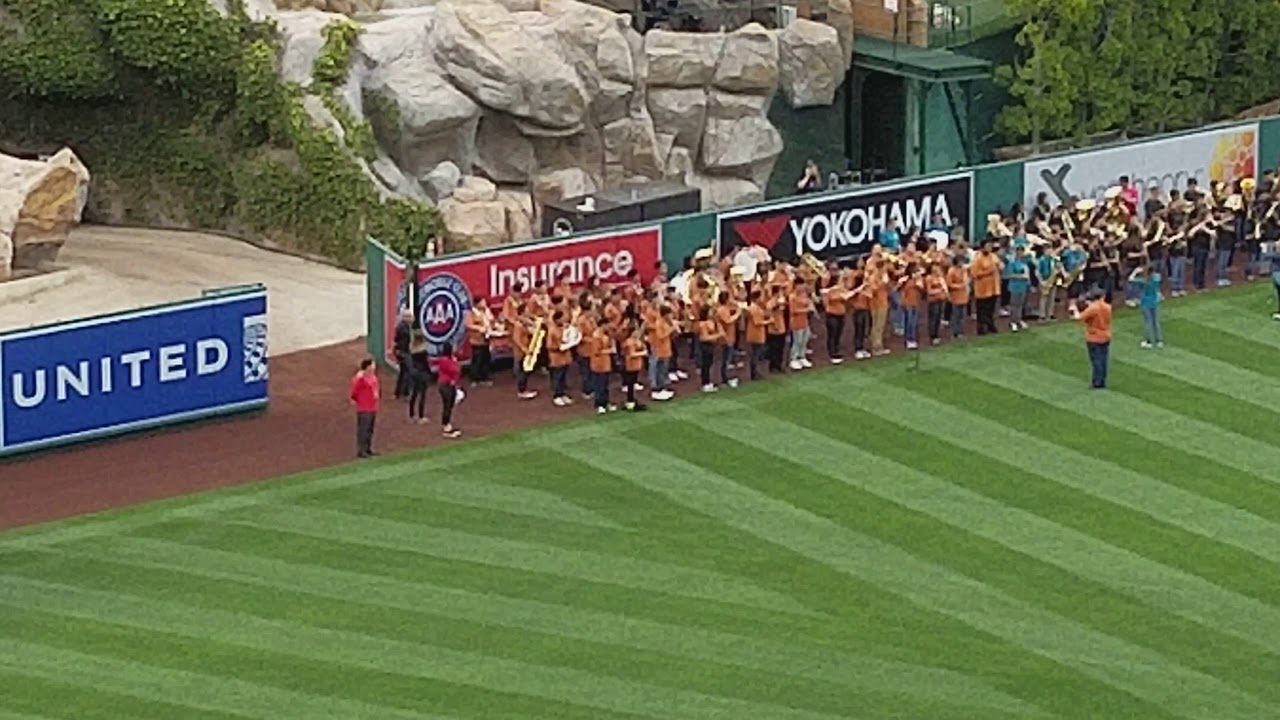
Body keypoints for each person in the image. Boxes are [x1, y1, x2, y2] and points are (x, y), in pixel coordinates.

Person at [1069, 290, 1113, 389]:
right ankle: (1102, 380)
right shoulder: (1107, 307)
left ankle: (1097, 382)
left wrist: (1075, 309)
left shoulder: (1093, 308)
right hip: (1106, 335)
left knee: (1096, 361)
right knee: (1103, 360)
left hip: (1094, 337)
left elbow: (1079, 318)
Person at [349, 357, 380, 458]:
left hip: (372, 406)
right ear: (367, 366)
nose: (374, 367)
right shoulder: (360, 379)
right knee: (363, 429)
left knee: (370, 429)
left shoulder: (373, 377)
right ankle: (361, 451)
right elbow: (354, 391)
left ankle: (368, 448)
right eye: (372, 365)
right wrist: (355, 399)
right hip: (363, 407)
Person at [1128, 264, 1164, 348]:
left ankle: (1149, 341)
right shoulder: (1157, 278)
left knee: (1148, 322)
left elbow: (1130, 279)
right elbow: (1158, 278)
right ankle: (1159, 341)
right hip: (1155, 302)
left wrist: (1135, 272)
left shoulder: (1143, 281)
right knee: (1156, 322)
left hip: (1145, 303)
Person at [971, 241, 1002, 335]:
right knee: (982, 310)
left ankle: (990, 325)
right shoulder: (977, 258)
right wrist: (988, 272)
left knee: (991, 309)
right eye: (987, 246)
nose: (989, 248)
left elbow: (999, 265)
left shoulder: (993, 256)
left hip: (993, 287)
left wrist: (1000, 267)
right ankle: (982, 328)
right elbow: (974, 274)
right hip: (982, 289)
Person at [434, 343, 463, 438]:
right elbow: (455, 370)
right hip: (445, 385)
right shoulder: (445, 360)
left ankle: (447, 423)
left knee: (450, 405)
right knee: (447, 405)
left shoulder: (448, 359)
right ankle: (445, 425)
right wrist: (455, 362)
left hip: (449, 384)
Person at [406, 323, 430, 424]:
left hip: (414, 373)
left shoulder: (412, 349)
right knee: (422, 395)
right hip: (422, 373)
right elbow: (426, 363)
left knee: (414, 394)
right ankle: (421, 416)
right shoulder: (423, 350)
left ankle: (411, 415)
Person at [1006, 245, 1032, 332]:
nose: (1021, 253)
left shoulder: (1024, 262)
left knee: (1021, 304)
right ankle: (1012, 321)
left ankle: (1019, 319)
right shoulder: (1012, 263)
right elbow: (1009, 275)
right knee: (1014, 304)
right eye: (1019, 251)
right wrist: (1020, 276)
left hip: (1023, 286)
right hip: (1014, 286)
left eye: (1022, 251)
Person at [392, 309, 413, 399]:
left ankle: (398, 393)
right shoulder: (403, 328)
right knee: (408, 372)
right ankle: (405, 393)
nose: (412, 318)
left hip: (401, 351)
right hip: (403, 352)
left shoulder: (402, 326)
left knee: (403, 372)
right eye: (410, 316)